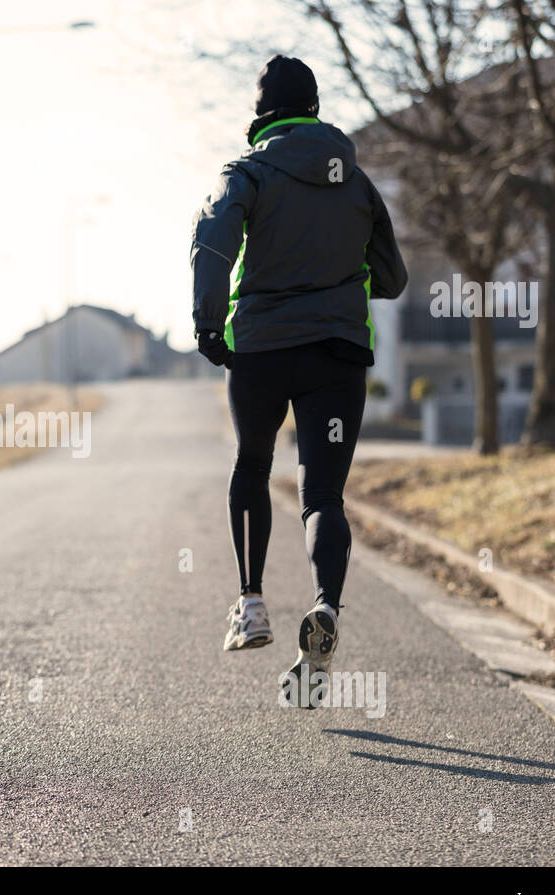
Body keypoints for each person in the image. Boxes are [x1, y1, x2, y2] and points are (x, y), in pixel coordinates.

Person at [189, 55, 407, 704]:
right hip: (336, 353)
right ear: (314, 107)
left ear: (261, 113)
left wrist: (209, 323)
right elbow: (392, 279)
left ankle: (251, 603)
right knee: (323, 498)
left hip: (260, 350)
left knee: (253, 466)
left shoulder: (248, 172)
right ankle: (326, 607)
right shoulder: (356, 180)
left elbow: (213, 243)